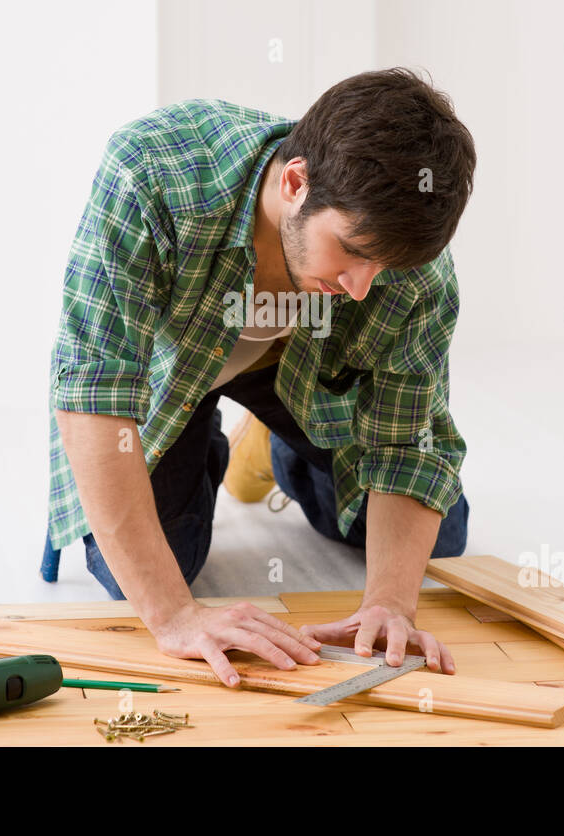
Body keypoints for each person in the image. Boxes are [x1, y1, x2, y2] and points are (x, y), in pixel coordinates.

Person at [41, 67, 476, 686]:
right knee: (137, 577)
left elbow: (408, 448)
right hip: (168, 377)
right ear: (296, 182)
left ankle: (274, 455)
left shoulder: (404, 259)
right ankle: (205, 439)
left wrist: (390, 603)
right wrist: (175, 617)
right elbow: (92, 393)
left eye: (383, 265)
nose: (361, 289)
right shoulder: (152, 170)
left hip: (298, 373)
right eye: (351, 252)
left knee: (443, 534)